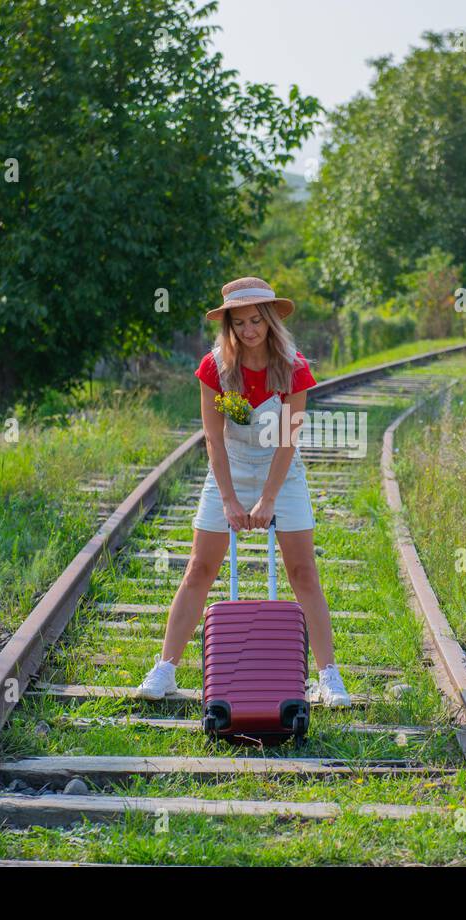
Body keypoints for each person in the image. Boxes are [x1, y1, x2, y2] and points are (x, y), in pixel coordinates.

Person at [136, 276, 351, 707]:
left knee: (303, 572)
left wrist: (269, 499)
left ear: (270, 320)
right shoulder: (215, 367)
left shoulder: (293, 367)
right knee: (200, 566)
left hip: (281, 472)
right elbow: (213, 441)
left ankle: (328, 676)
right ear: (229, 326)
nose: (249, 330)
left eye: (256, 320)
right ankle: (166, 669)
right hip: (230, 469)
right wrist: (231, 500)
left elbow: (289, 441)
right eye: (239, 323)